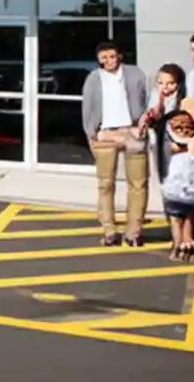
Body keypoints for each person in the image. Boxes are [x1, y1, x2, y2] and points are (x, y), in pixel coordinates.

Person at [81, 41, 150, 247]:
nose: (108, 61)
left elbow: (145, 101)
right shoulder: (93, 79)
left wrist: (142, 126)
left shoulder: (135, 74)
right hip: (105, 134)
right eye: (103, 57)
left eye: (112, 56)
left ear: (119, 56)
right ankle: (109, 230)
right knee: (105, 184)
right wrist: (92, 133)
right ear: (98, 59)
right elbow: (87, 107)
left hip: (131, 131)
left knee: (138, 184)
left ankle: (134, 232)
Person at [136, 64, 191, 258]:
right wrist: (157, 102)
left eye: (169, 83)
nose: (164, 87)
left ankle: (183, 242)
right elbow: (153, 118)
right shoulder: (157, 99)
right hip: (161, 152)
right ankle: (177, 242)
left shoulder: (185, 102)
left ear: (178, 84)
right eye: (160, 82)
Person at [159, 108, 194, 261]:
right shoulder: (192, 142)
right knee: (188, 218)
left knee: (176, 219)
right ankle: (187, 245)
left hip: (173, 189)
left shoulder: (171, 144)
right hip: (191, 189)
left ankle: (177, 245)